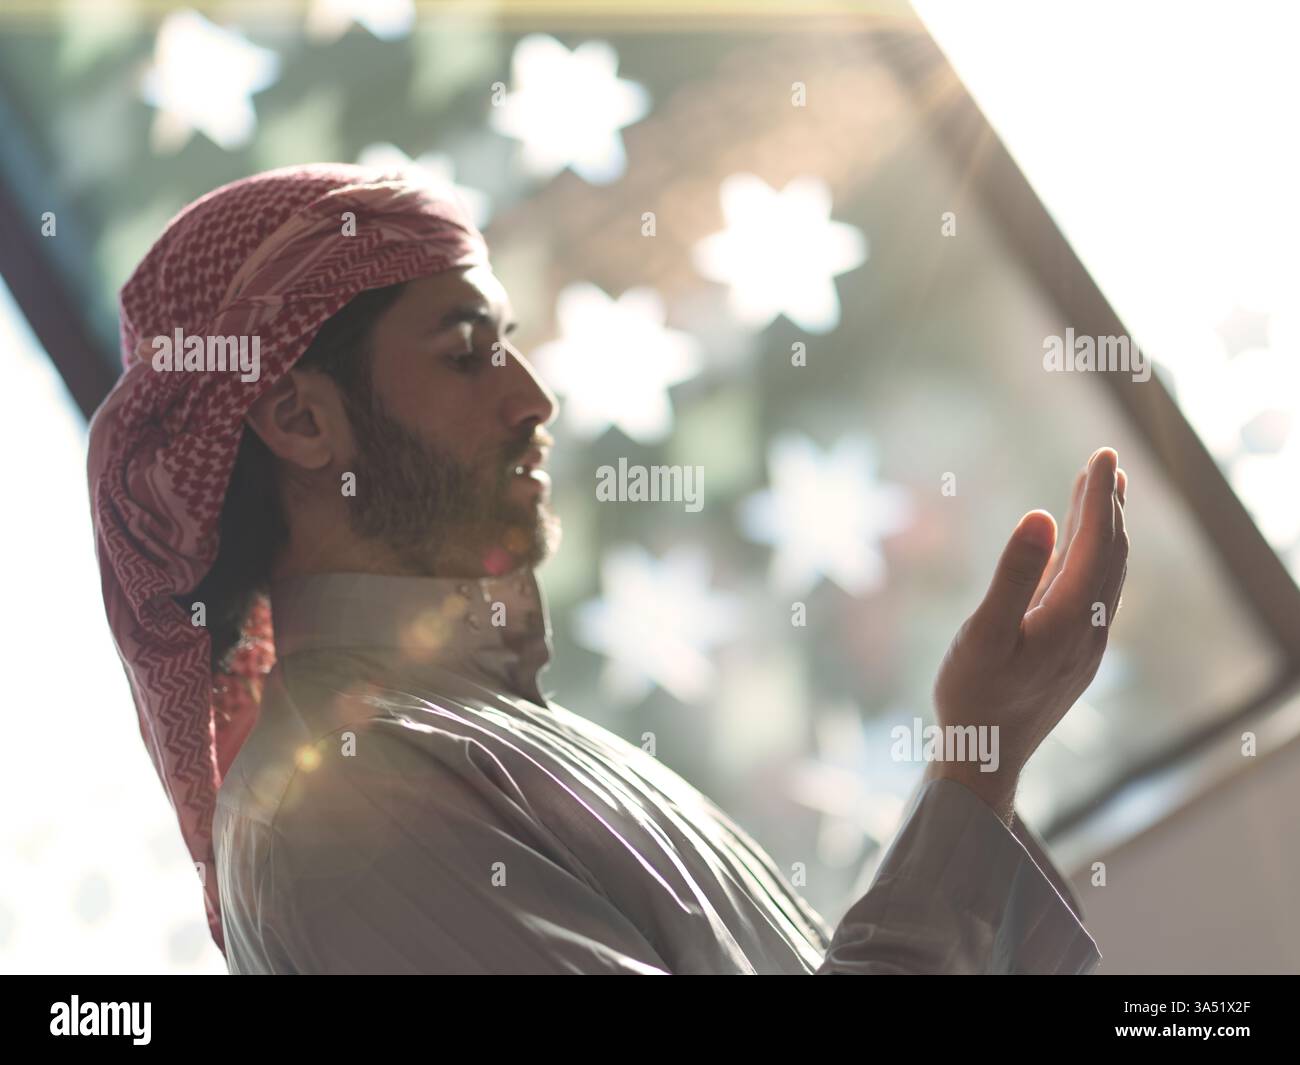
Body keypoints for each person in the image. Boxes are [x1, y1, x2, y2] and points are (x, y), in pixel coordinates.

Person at [88, 163, 1128, 974]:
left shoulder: (467, 735)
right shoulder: (335, 810)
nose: (534, 398)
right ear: (303, 420)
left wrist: (983, 757)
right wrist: (978, 764)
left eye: (510, 342)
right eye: (464, 352)